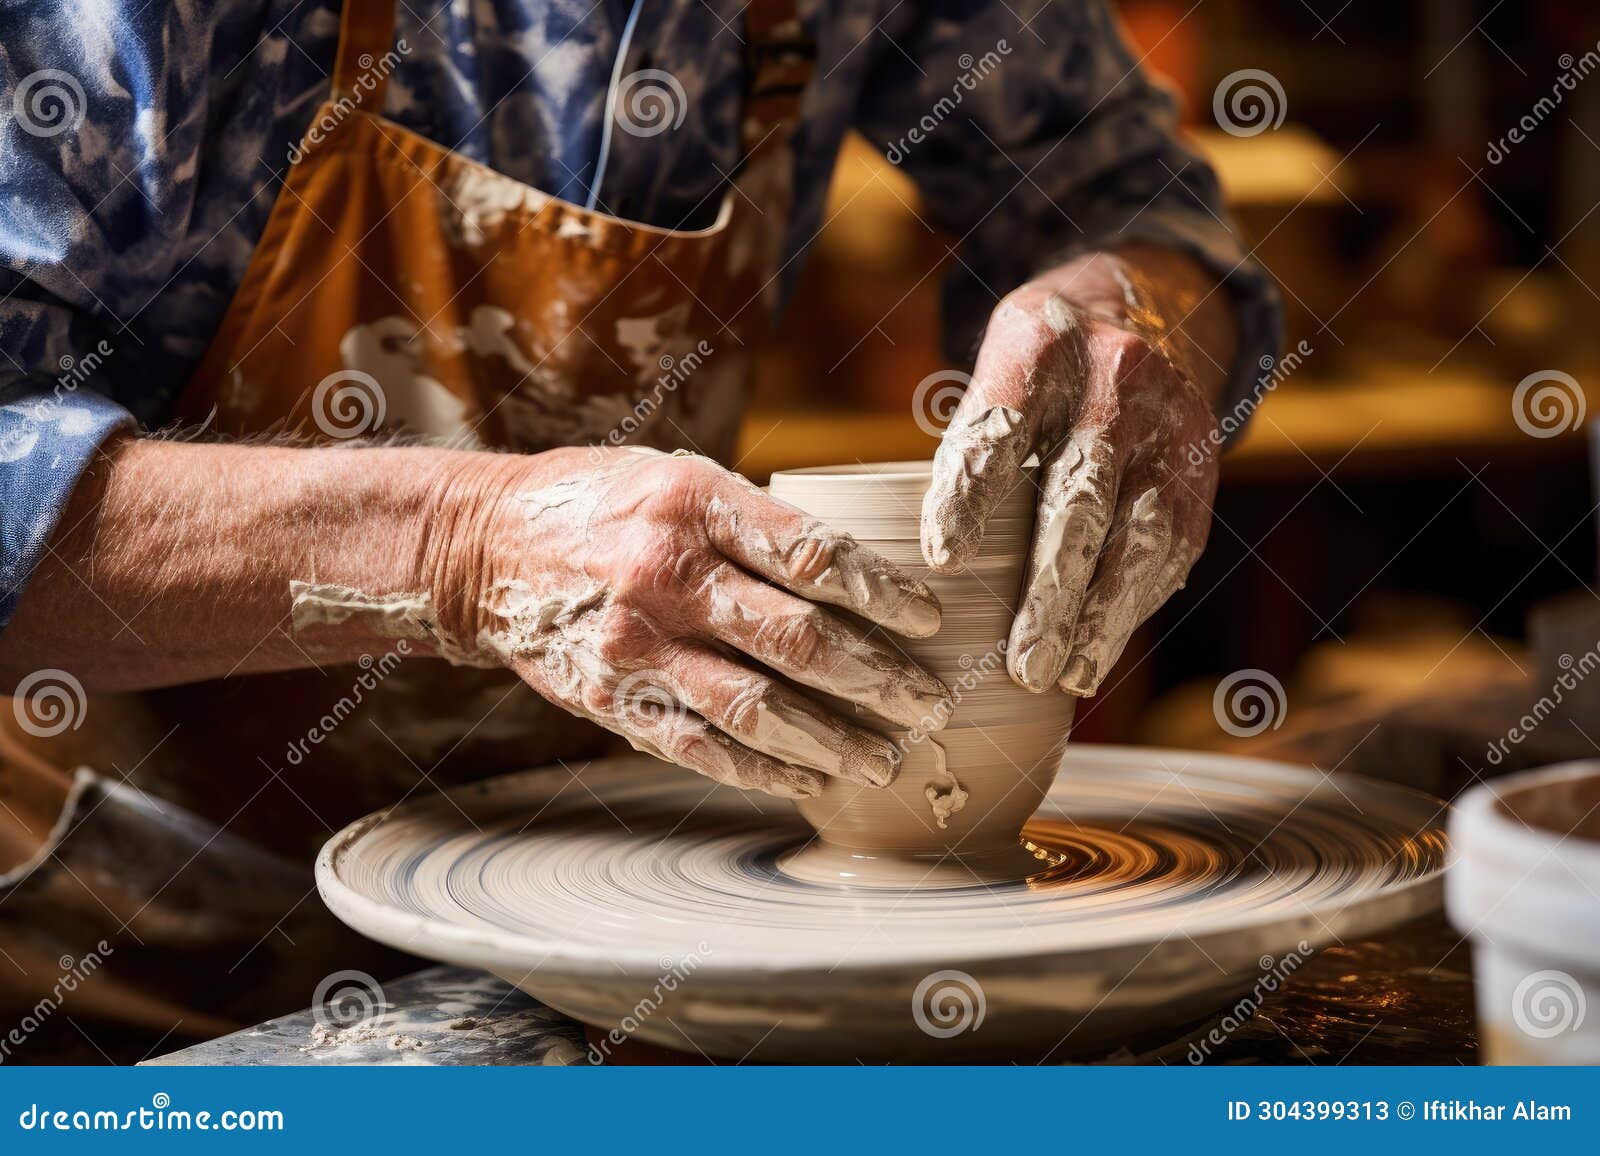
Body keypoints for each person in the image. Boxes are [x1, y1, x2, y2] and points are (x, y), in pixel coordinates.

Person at [0, 0, 1280, 1054]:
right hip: (130, 927)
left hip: (616, 919)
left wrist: (1139, 308)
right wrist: (467, 550)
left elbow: (1119, 189)